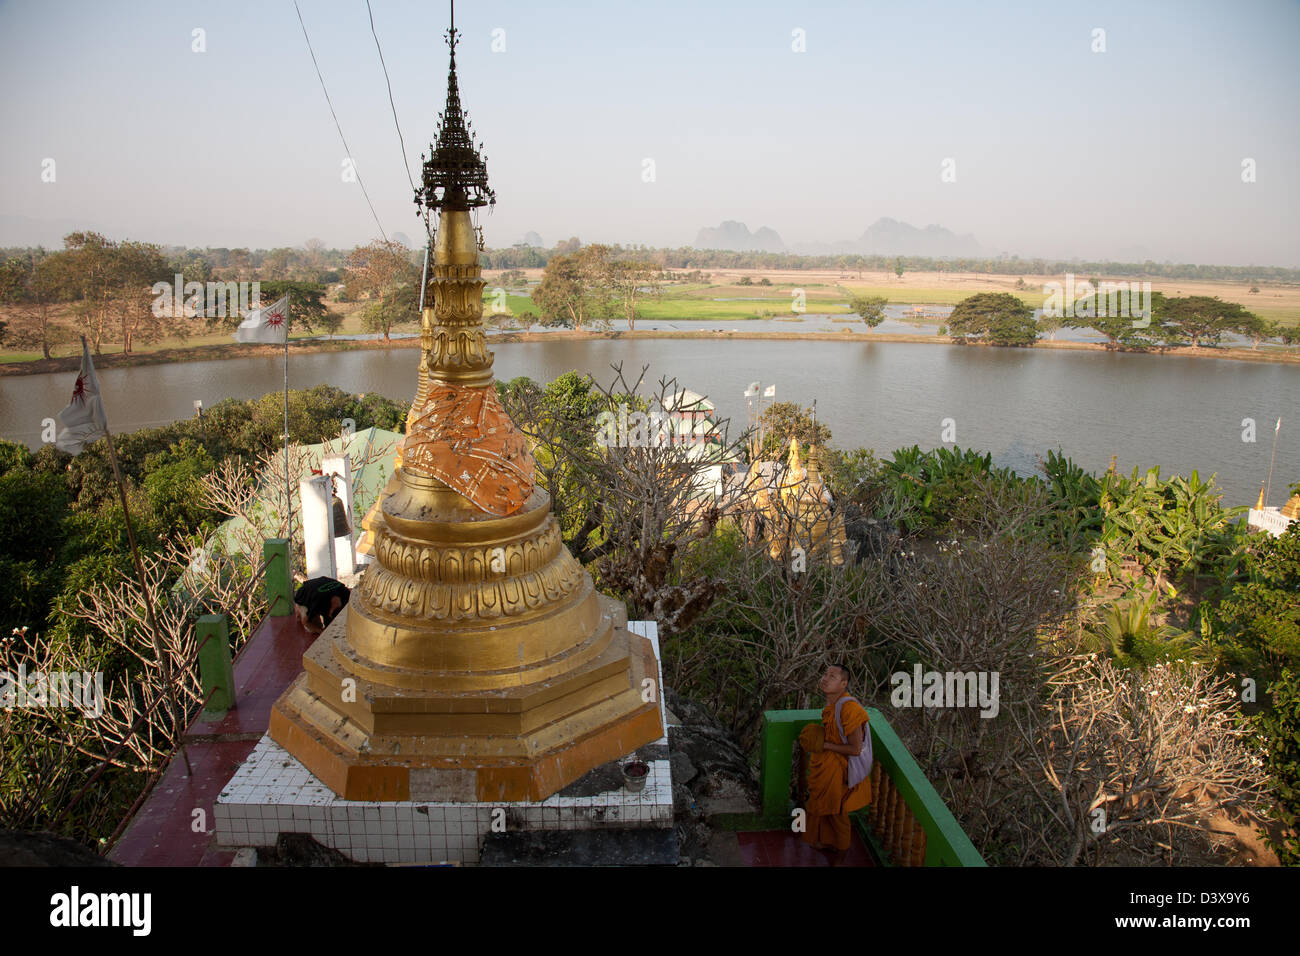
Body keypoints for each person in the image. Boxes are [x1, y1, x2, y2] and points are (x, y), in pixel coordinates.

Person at [799, 663, 872, 865]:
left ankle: (841, 854)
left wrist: (824, 745)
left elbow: (855, 749)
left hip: (841, 770)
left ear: (844, 683)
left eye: (832, 676)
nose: (825, 678)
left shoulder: (850, 709)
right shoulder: (832, 706)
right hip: (828, 766)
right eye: (825, 674)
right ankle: (829, 843)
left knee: (838, 813)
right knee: (823, 808)